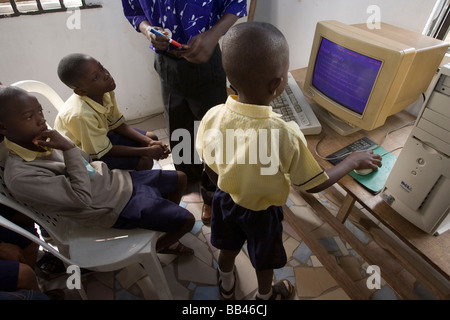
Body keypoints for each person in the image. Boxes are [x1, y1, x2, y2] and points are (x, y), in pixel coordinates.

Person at [195, 22, 382, 300]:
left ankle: (226, 284)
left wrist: (227, 186)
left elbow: (208, 165)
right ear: (277, 84)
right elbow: (314, 184)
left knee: (227, 247)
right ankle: (266, 295)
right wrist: (351, 161)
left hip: (226, 201)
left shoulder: (213, 115)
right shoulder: (285, 134)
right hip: (262, 215)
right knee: (264, 260)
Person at [0, 85, 195, 256]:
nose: (41, 120)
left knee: (180, 178)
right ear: (4, 128)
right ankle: (158, 247)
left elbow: (85, 161)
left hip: (114, 182)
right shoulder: (21, 176)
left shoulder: (42, 139)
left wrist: (68, 148)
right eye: (28, 116)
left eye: (40, 112)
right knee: (187, 220)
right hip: (109, 207)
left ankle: (163, 223)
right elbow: (81, 199)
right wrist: (68, 149)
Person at [121, 0, 247, 224]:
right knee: (179, 127)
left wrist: (214, 34)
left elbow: (236, 3)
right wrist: (147, 30)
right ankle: (187, 178)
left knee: (211, 132)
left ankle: (212, 194)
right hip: (166, 62)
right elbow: (134, 10)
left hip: (206, 60)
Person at [54, 53, 170, 171]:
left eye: (102, 67)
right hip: (85, 154)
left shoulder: (105, 91)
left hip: (101, 137)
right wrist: (147, 151)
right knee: (145, 161)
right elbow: (102, 151)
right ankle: (133, 183)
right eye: (95, 77)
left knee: (152, 137)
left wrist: (149, 142)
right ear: (81, 91)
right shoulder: (80, 115)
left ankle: (143, 167)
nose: (106, 75)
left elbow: (117, 125)